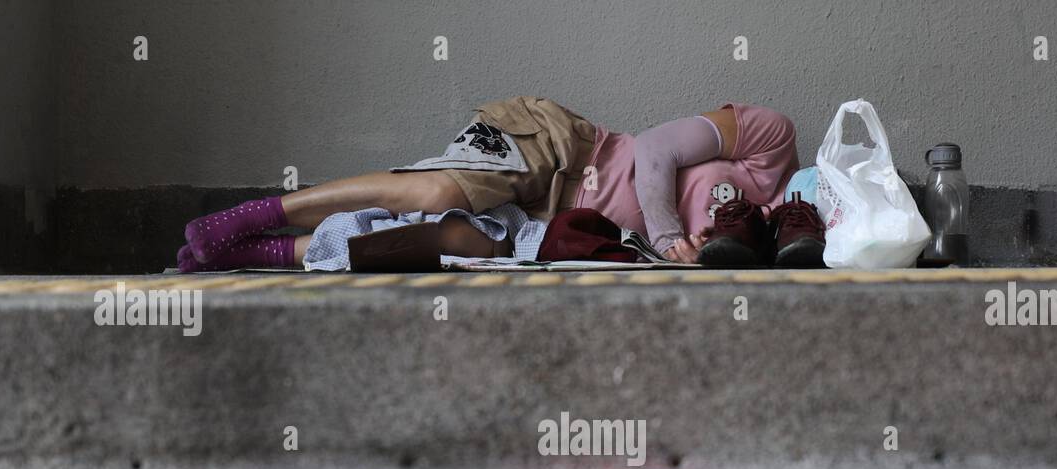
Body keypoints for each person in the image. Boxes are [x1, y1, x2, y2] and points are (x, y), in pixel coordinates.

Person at [176, 97, 823, 272]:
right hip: (564, 152)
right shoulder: (772, 139)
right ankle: (254, 214)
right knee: (438, 194)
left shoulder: (772, 237)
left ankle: (252, 253)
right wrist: (669, 233)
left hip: (548, 229)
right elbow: (654, 149)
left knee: (430, 239)